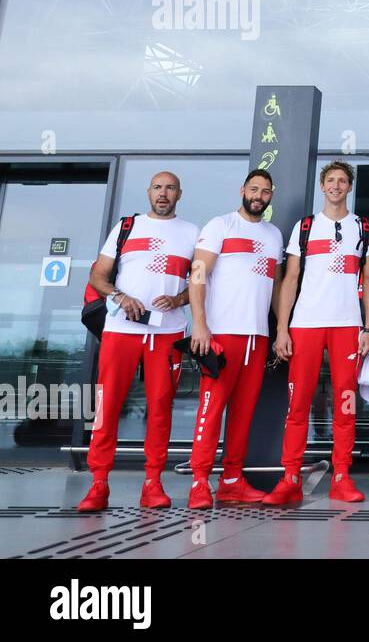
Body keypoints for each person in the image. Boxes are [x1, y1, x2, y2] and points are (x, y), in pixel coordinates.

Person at [79, 171, 198, 512]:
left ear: (179, 193)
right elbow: (98, 277)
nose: (163, 194)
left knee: (160, 408)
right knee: (107, 406)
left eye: (170, 188)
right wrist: (120, 296)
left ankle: (153, 483)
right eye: (158, 187)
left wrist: (180, 299)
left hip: (168, 332)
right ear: (149, 192)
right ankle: (98, 483)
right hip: (121, 330)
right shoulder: (127, 227)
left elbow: (202, 280)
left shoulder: (192, 233)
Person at [264, 161, 369, 506]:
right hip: (306, 325)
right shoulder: (306, 226)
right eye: (331, 180)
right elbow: (290, 280)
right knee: (298, 404)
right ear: (322, 185)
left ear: (349, 187)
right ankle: (289, 478)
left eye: (343, 181)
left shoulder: (363, 227)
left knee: (345, 404)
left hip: (347, 326)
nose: (337, 186)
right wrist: (282, 329)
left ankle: (342, 477)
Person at [186, 169, 284, 509]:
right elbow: (197, 274)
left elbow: (276, 289)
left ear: (271, 195)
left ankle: (231, 482)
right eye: (254, 189)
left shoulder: (274, 235)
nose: (258, 196)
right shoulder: (220, 225)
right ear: (242, 190)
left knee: (244, 413)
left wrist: (281, 328)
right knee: (211, 410)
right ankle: (200, 481)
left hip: (257, 336)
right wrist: (199, 324)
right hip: (222, 333)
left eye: (265, 191)